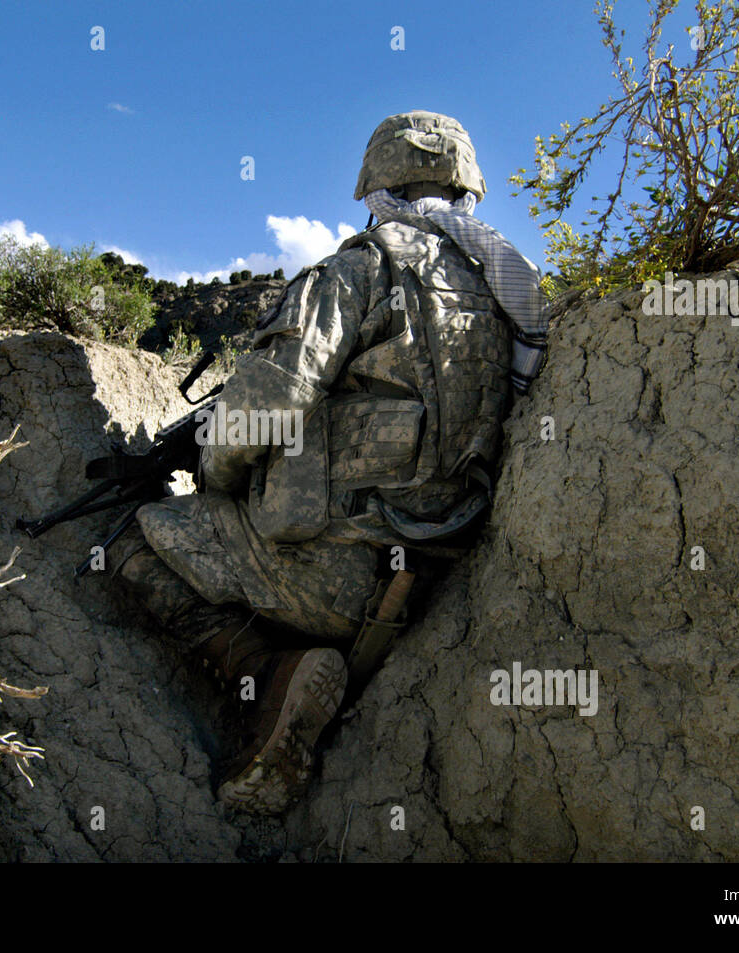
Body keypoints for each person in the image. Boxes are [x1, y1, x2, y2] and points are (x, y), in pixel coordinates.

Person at [112, 110, 549, 814]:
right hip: (442, 572)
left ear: (378, 185)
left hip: (342, 577)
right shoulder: (506, 293)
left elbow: (268, 399)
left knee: (134, 542)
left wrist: (216, 479)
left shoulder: (361, 268)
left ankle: (270, 673)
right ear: (466, 187)